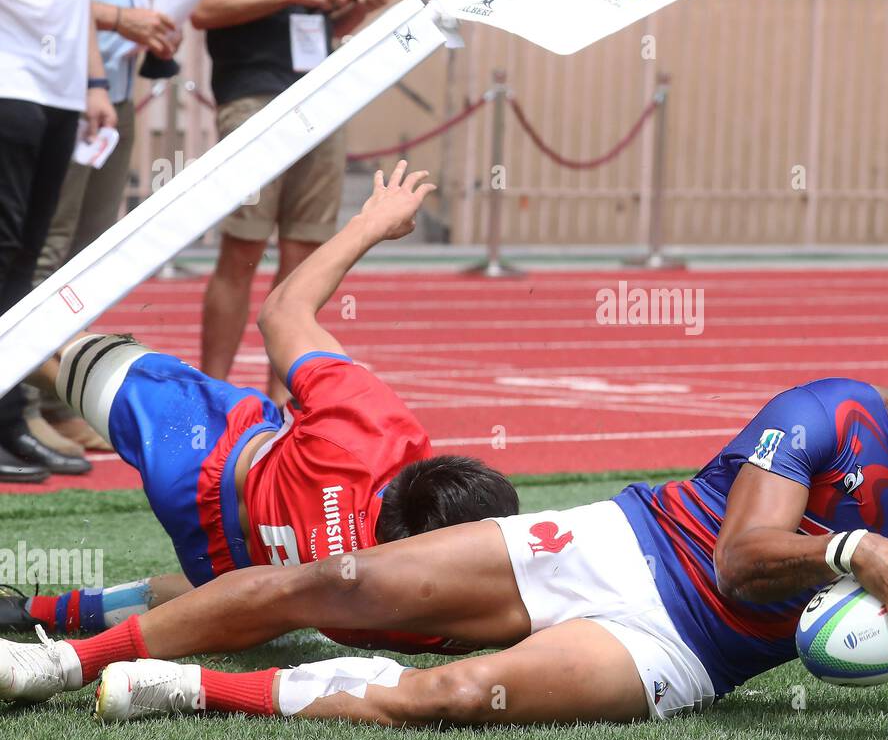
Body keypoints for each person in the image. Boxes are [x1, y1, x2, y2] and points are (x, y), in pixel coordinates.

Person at [3, 300, 888, 727]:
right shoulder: (823, 410)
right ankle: (61, 661)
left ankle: (180, 684)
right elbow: (740, 556)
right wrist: (855, 546)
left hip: (681, 651)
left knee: (447, 694)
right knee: (337, 584)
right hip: (620, 538)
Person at [0, 162, 517, 657]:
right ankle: (34, 610)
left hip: (202, 453)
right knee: (240, 592)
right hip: (230, 565)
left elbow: (283, 312)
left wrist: (371, 224)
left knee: (40, 342)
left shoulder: (372, 433)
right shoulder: (427, 620)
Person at [188, 0, 394, 408]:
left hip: (320, 92)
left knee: (307, 252)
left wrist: (360, 5)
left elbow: (326, 22)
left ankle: (284, 404)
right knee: (243, 249)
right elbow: (202, 7)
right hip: (252, 91)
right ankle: (213, 398)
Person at [22, 0, 184, 460]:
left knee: (85, 260)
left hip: (112, 81)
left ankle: (62, 402)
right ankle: (22, 404)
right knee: (47, 252)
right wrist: (120, 20)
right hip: (65, 82)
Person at [0, 0, 120, 483]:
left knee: (26, 268)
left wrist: (93, 81)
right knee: (2, 256)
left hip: (58, 88)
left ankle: (9, 420)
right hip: (8, 78)